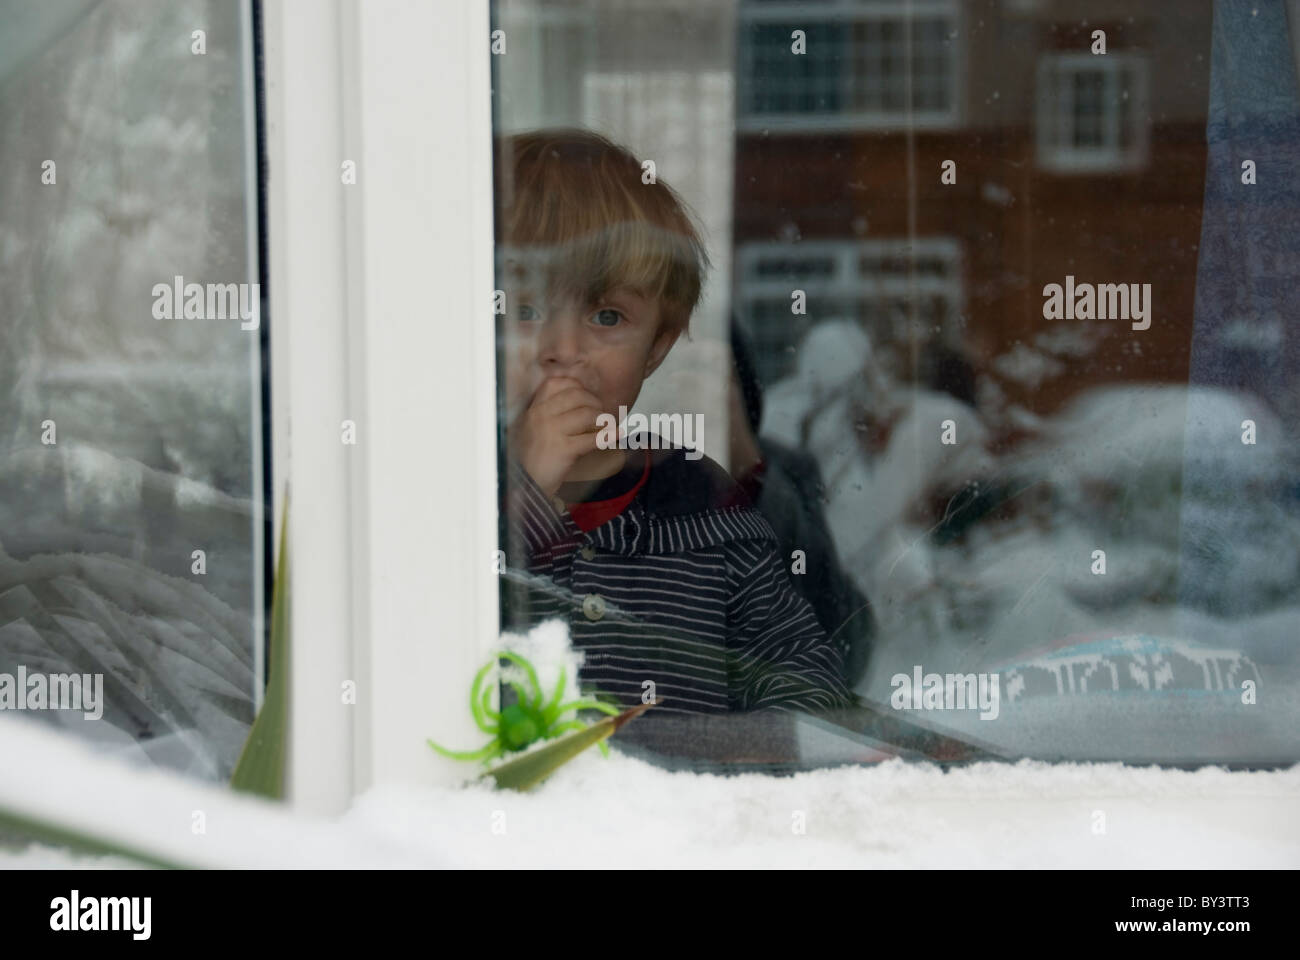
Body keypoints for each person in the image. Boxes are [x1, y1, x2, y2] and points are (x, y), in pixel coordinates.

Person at [494, 127, 853, 716]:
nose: (563, 348)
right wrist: (525, 496)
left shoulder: (706, 513)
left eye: (606, 316)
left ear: (657, 346)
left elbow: (806, 687)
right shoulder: (451, 497)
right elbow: (429, 634)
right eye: (527, 310)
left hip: (676, 809)